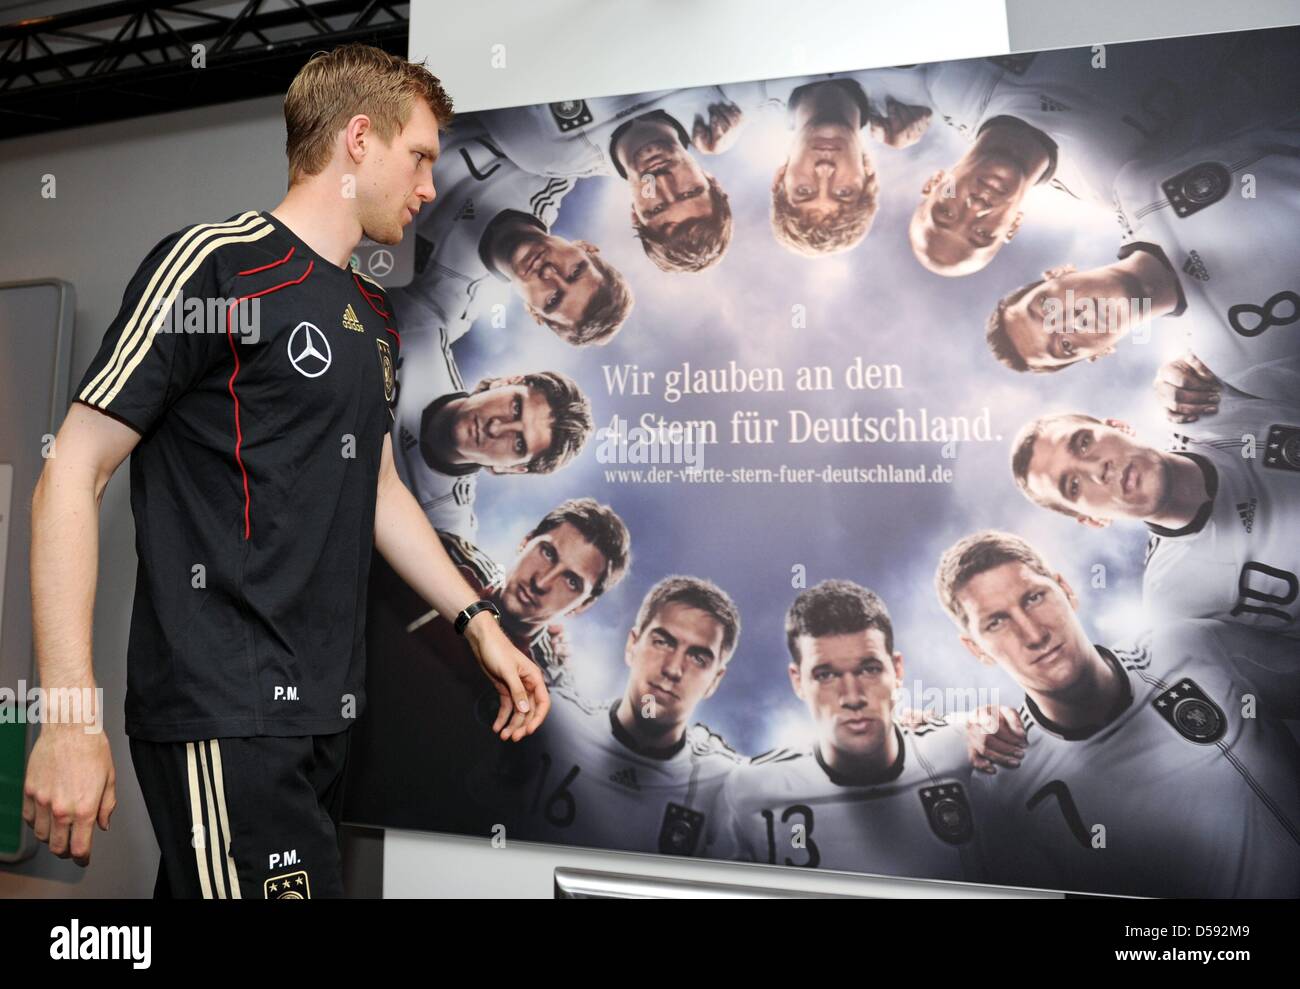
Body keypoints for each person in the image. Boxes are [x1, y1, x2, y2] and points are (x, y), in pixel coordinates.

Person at [24, 43, 550, 899]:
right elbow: (71, 472)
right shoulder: (213, 265)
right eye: (418, 156)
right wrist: (68, 718)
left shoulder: (374, 317)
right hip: (224, 709)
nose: (428, 187)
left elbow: (379, 492)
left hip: (323, 715)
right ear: (356, 139)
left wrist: (479, 620)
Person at [934, 530, 1300, 897]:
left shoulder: (1188, 648)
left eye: (1034, 597)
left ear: (1066, 589)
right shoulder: (1004, 791)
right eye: (995, 622)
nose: (1032, 633)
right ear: (975, 649)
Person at [342, 498, 631, 831]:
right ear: (526, 540)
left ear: (583, 605)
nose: (542, 581)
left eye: (571, 582)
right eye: (548, 552)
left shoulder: (552, 694)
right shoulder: (445, 558)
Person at [985, 113, 1300, 394]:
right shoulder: (1235, 365)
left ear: (1057, 273)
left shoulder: (1142, 184)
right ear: (1097, 354)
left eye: (1047, 308)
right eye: (1065, 345)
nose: (1070, 323)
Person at [708, 580, 981, 880]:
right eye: (826, 675)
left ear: (897, 669)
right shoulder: (750, 791)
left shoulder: (965, 751)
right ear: (798, 681)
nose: (852, 696)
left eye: (869, 669)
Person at [486, 575, 744, 856]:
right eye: (663, 641)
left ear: (715, 680)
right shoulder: (552, 719)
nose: (673, 669)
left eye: (698, 658)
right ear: (632, 645)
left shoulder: (728, 785)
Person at [1009, 395, 1300, 636]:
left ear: (1119, 427)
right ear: (1093, 520)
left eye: (1084, 443)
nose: (1097, 469)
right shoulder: (1176, 601)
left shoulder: (1222, 405)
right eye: (1073, 485)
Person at [393, 116, 633, 346]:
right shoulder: (554, 168)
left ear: (534, 313)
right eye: (575, 271)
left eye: (553, 299)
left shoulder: (445, 307)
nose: (550, 273)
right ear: (584, 247)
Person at [391, 298, 593, 539]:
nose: (497, 427)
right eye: (515, 407)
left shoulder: (445, 528)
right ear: (506, 382)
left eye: (519, 443)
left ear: (513, 468)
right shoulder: (421, 335)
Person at [479, 89, 744, 272]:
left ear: (634, 214)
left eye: (658, 207)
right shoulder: (720, 102)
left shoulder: (545, 149)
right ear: (712, 180)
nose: (663, 182)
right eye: (689, 192)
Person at [727, 69, 931, 256]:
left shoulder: (740, 86)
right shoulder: (920, 87)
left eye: (804, 190)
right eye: (843, 192)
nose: (824, 170)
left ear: (780, 177)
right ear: (868, 173)